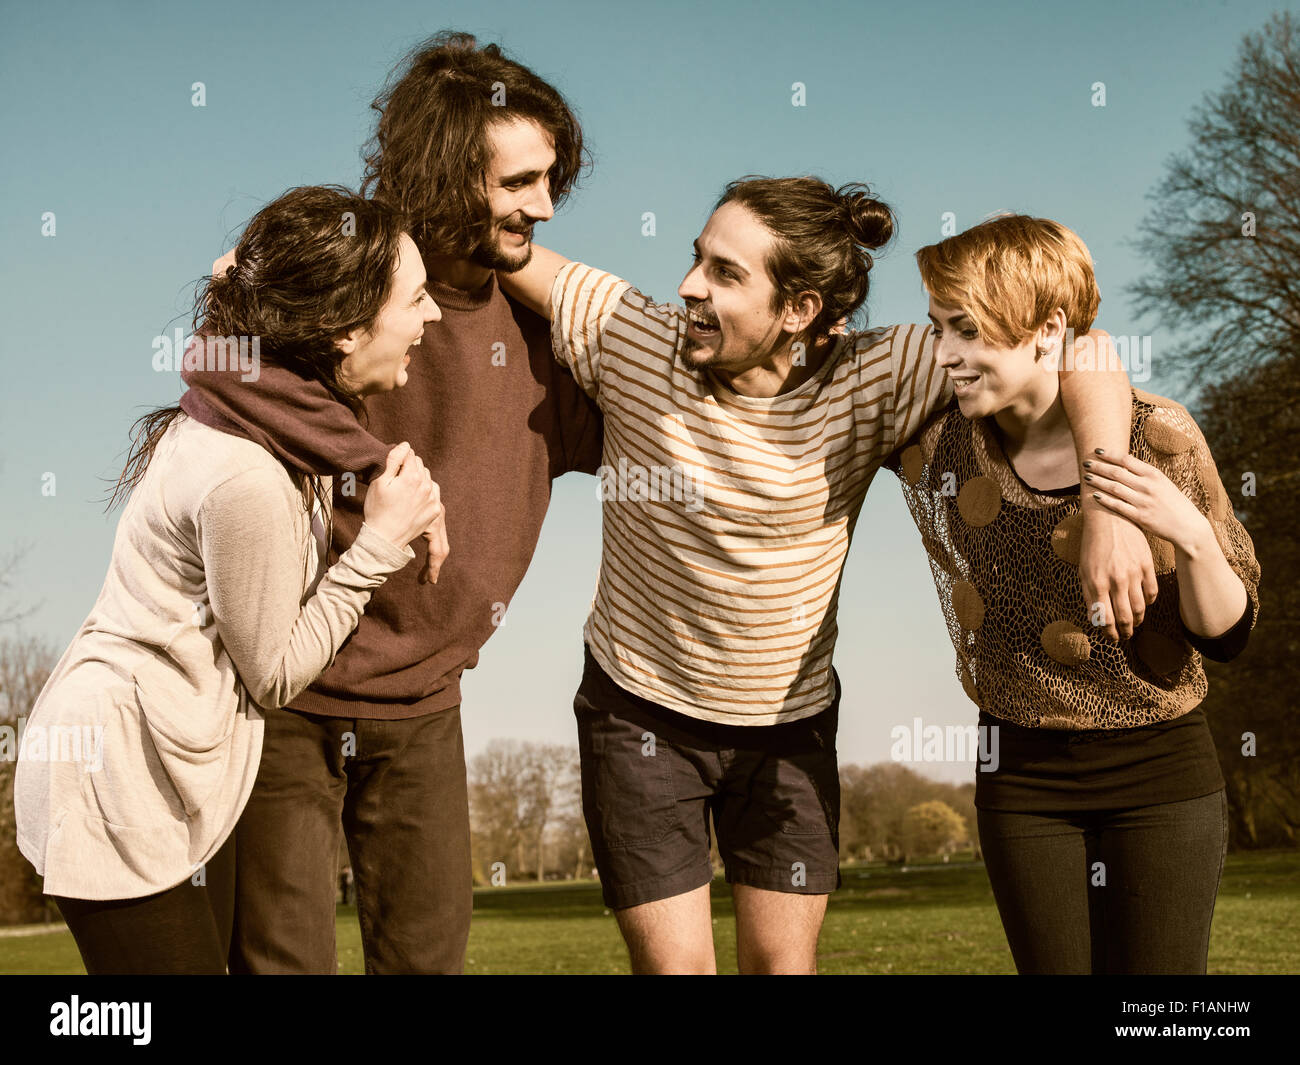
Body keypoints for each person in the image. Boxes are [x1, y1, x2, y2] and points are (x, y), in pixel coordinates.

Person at [495, 176, 1154, 973]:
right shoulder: (630, 334)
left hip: (789, 722)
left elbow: (1082, 347)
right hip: (639, 712)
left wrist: (1109, 507)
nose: (689, 286)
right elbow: (504, 248)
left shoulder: (884, 373)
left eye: (726, 273)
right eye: (697, 258)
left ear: (799, 310)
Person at [180, 31, 603, 974]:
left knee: (426, 960)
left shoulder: (545, 331)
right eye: (520, 182)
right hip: (284, 691)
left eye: (550, 179)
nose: (545, 205)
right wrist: (374, 462)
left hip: (426, 703)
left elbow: (667, 406)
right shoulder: (340, 270)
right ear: (449, 173)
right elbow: (215, 358)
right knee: (279, 962)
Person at [13, 185, 446, 974]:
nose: (434, 316)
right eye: (415, 299)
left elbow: (276, 368)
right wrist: (379, 544)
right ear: (346, 332)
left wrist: (237, 289)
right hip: (116, 773)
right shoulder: (244, 473)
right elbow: (275, 672)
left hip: (170, 768)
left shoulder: (250, 396)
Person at [891, 214, 1259, 974]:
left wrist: (1190, 536)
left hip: (1162, 775)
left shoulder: (1159, 435)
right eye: (937, 328)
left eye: (967, 329)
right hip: (1021, 775)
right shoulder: (937, 446)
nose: (945, 354)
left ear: (1045, 327)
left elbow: (1227, 637)